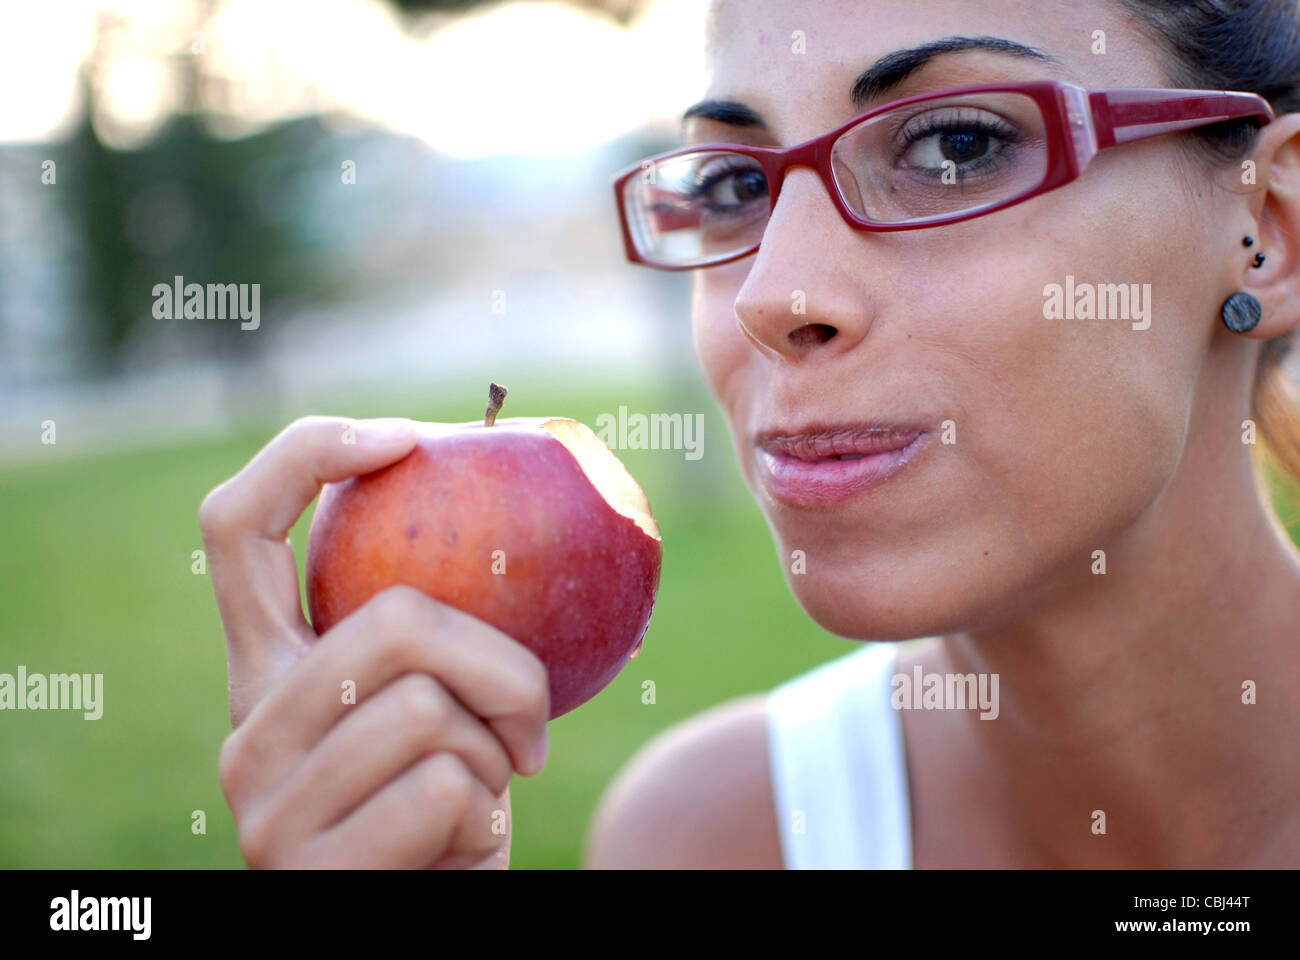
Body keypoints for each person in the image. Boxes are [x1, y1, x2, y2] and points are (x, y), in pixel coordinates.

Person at [200, 0, 1300, 869]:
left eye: (956, 145)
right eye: (735, 185)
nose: (773, 294)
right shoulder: (705, 839)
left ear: (1267, 231)